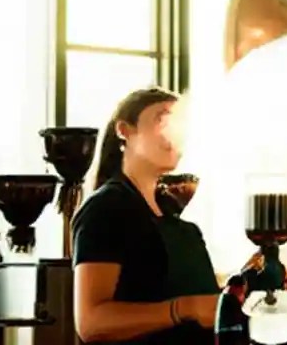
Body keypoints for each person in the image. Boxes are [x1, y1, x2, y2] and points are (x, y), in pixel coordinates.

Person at [73, 87, 220, 344]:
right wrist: (184, 309)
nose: (174, 131)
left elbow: (204, 306)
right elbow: (91, 323)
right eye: (162, 118)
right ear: (125, 131)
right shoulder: (106, 208)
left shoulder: (178, 219)